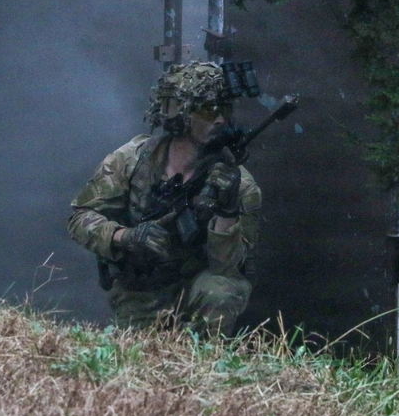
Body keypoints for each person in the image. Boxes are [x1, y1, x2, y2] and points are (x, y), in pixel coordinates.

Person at [68, 61, 261, 334]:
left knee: (222, 291)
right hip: (141, 288)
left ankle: (205, 367)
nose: (220, 119)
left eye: (225, 109)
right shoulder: (132, 159)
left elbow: (227, 268)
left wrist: (226, 209)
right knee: (137, 359)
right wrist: (125, 237)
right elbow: (80, 218)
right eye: (208, 110)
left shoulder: (238, 183)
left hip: (196, 285)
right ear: (181, 114)